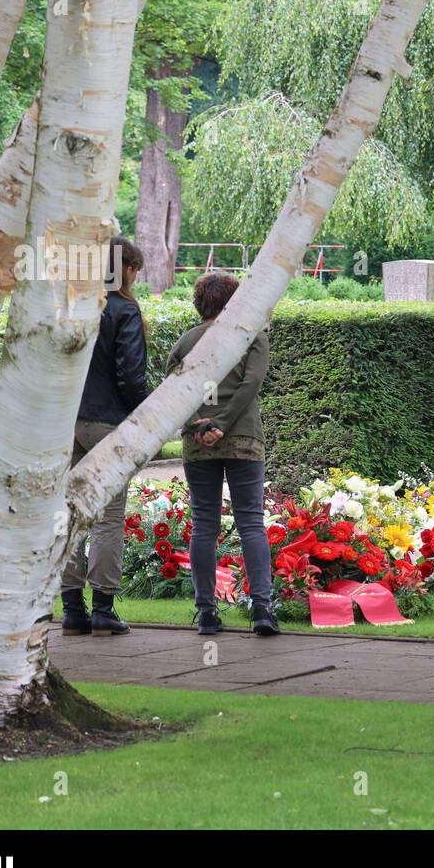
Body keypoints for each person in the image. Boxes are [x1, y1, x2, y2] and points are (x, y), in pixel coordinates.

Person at [167, 272, 278, 637]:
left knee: (204, 525)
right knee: (250, 522)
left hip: (199, 445)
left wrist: (200, 426)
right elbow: (252, 384)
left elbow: (173, 393)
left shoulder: (186, 342)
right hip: (244, 438)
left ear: (200, 304)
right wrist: (225, 423)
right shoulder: (251, 337)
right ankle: (262, 608)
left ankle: (207, 612)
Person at [60, 236, 149, 637]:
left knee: (69, 514)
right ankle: (104, 606)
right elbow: (130, 374)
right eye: (135, 270)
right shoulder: (124, 310)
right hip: (108, 422)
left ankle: (71, 607)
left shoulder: (75, 305)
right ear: (127, 268)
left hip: (67, 420)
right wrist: (144, 412)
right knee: (107, 517)